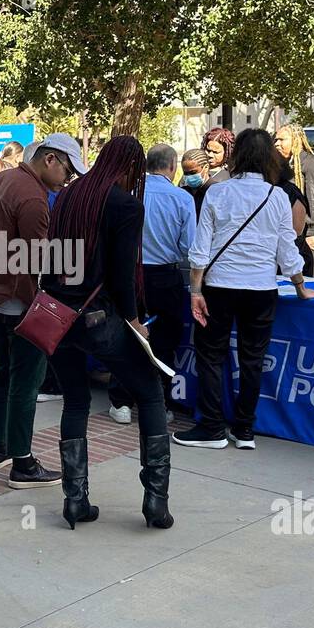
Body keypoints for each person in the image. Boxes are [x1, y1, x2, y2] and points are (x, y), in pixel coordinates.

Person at [38, 136, 175, 530]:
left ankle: (75, 499)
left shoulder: (69, 195)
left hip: (60, 316)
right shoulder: (126, 205)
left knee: (76, 401)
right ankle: (155, 500)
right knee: (148, 392)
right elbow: (121, 274)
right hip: (100, 318)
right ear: (132, 167)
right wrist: (134, 320)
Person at [174, 129, 314, 452]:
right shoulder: (277, 197)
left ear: (236, 155)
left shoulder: (218, 193)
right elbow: (288, 249)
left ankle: (212, 427)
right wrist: (301, 287)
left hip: (220, 287)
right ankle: (244, 430)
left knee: (210, 356)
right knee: (253, 359)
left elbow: (201, 249)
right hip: (261, 289)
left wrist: (195, 290)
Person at [0, 134, 74, 486]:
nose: (68, 178)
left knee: (4, 373)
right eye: (67, 169)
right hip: (23, 302)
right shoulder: (33, 197)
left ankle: (1, 448)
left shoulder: (3, 180)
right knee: (26, 381)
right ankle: (23, 463)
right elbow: (42, 259)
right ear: (50, 159)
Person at [107, 143, 196, 424]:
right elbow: (188, 246)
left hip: (129, 274)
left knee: (126, 336)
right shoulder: (181, 199)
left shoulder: (129, 194)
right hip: (165, 277)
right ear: (172, 167)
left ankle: (121, 401)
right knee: (165, 341)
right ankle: (160, 403)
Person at [275, 125, 314, 276]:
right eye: (275, 139)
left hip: (308, 231)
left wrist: (312, 233)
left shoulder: (311, 164)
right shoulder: (283, 164)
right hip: (290, 230)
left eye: (282, 139)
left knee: (305, 274)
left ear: (295, 140)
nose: (277, 143)